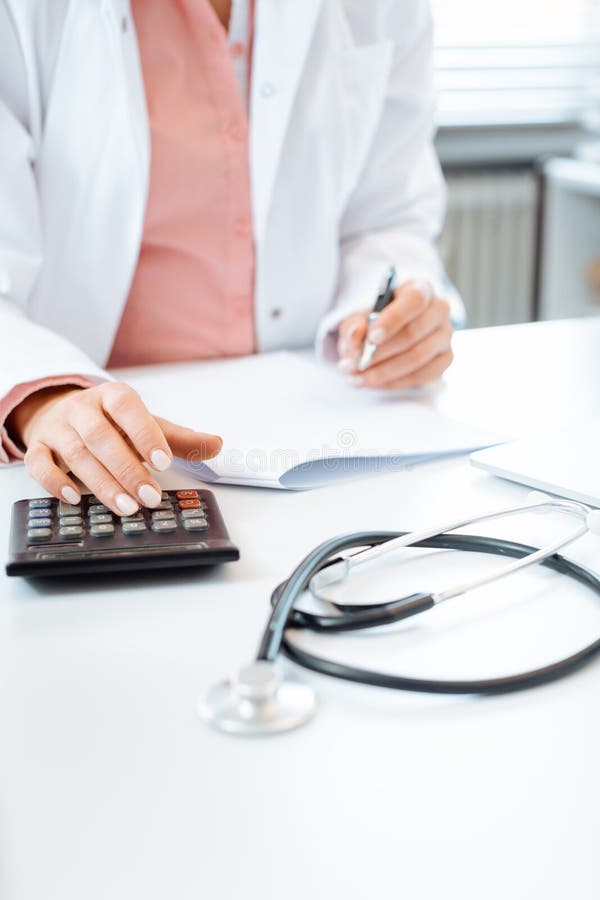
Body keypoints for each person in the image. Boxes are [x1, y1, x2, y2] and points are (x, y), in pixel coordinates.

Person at [0, 0, 458, 517]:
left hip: (319, 438)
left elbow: (390, 218)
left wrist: (396, 305)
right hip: (102, 456)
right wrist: (44, 396)